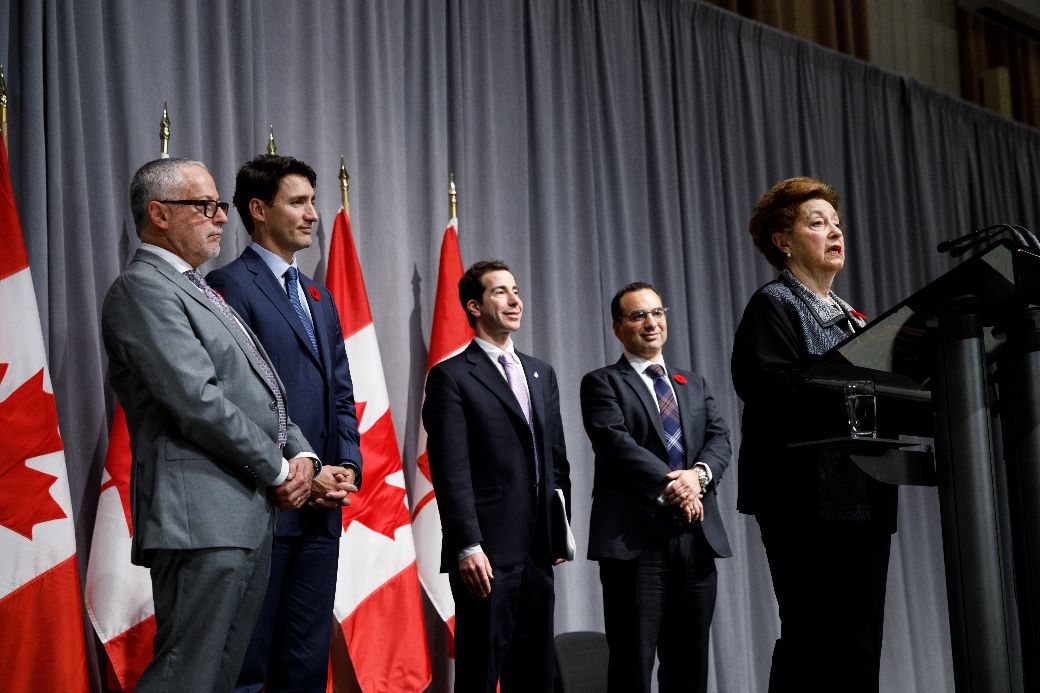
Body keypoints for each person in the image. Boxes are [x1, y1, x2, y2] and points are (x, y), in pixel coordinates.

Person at [101, 158, 325, 692]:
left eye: (219, 206)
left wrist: (304, 457)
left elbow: (263, 391)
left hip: (241, 515)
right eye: (205, 206)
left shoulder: (199, 288)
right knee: (188, 674)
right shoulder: (143, 289)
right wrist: (277, 469)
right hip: (199, 518)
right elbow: (197, 399)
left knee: (221, 676)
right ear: (159, 214)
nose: (220, 219)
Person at [731, 176, 896, 693]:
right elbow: (770, 388)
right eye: (817, 223)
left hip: (866, 491)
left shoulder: (854, 319)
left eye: (837, 224)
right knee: (815, 636)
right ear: (783, 241)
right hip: (803, 499)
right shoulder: (773, 305)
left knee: (862, 638)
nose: (835, 233)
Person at [206, 154, 362, 693]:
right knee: (250, 666)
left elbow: (342, 395)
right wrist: (296, 474)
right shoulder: (227, 286)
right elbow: (239, 399)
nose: (313, 214)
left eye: (314, 202)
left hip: (321, 515)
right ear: (257, 209)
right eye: (298, 202)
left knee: (304, 666)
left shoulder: (317, 296)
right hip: (265, 507)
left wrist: (344, 469)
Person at [422, 259, 572, 692]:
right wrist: (468, 544)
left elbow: (556, 458)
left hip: (538, 547)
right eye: (500, 292)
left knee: (536, 672)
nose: (514, 300)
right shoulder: (451, 376)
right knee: (481, 671)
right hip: (486, 553)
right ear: (474, 306)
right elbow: (450, 470)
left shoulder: (540, 372)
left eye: (516, 290)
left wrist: (557, 528)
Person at [580, 281, 732, 693]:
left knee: (690, 667)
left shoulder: (692, 383)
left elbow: (719, 440)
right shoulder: (602, 383)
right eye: (638, 315)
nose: (651, 322)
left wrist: (696, 478)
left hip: (696, 540)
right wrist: (678, 488)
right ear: (618, 328)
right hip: (635, 543)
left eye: (657, 313)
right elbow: (616, 444)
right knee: (633, 665)